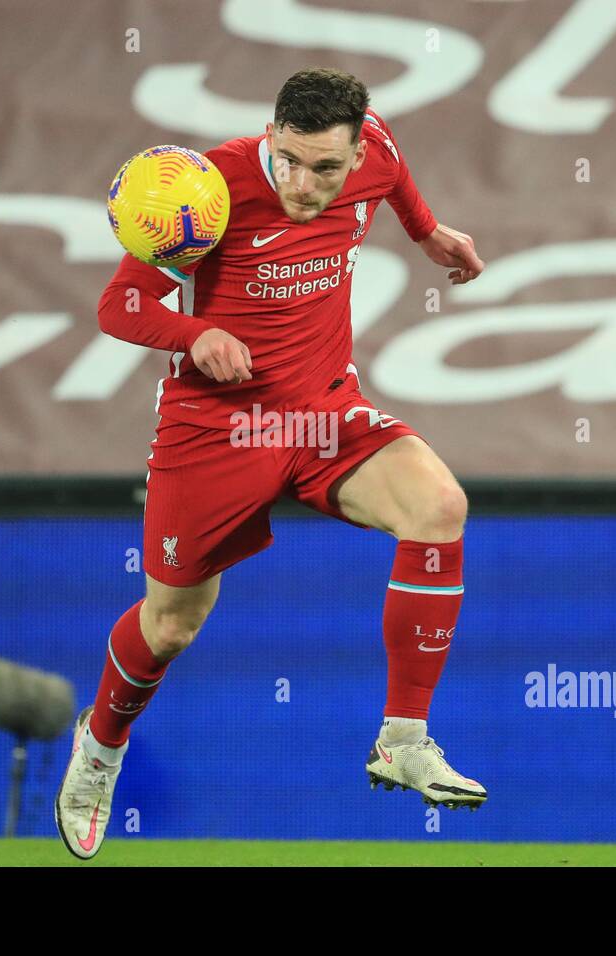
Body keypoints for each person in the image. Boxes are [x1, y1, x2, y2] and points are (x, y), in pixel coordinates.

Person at [56, 67, 487, 860]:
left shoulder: (378, 153)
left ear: (357, 152)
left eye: (327, 168)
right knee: (172, 625)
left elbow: (397, 186)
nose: (302, 183)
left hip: (322, 409)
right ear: (272, 133)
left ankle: (402, 736)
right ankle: (101, 745)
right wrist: (195, 336)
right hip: (213, 432)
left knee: (440, 507)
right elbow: (118, 304)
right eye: (288, 159)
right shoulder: (207, 192)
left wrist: (431, 235)